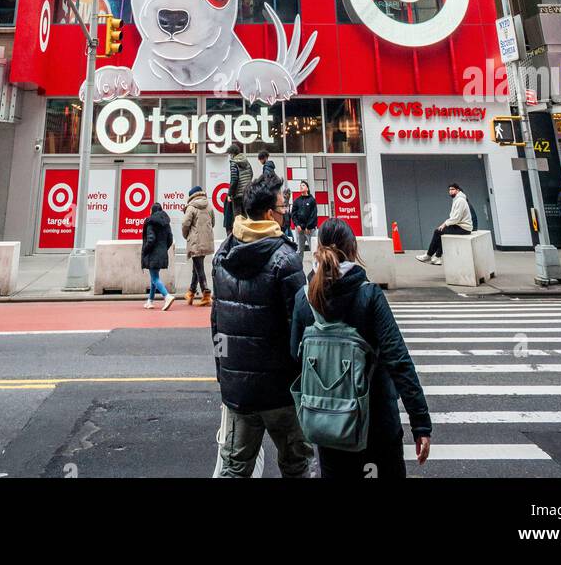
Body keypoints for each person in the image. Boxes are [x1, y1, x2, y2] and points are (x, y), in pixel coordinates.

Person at [292, 218, 432, 479]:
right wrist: (420, 422)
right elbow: (398, 360)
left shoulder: (305, 298)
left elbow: (294, 358)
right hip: (376, 422)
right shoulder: (368, 295)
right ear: (353, 249)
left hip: (328, 425)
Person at [211, 175, 312, 478]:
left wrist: (225, 376)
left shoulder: (222, 257)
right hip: (281, 391)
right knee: (297, 466)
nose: (287, 211)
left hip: (239, 393)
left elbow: (216, 325)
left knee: (235, 469)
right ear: (270, 214)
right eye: (284, 206)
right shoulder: (286, 259)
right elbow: (302, 326)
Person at [416, 182, 472, 266]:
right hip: (460, 225)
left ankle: (429, 255)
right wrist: (446, 224)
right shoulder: (457, 199)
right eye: (449, 190)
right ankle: (436, 257)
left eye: (452, 189)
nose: (450, 191)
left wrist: (445, 224)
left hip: (464, 228)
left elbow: (456, 218)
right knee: (441, 233)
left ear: (458, 190)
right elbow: (454, 217)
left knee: (438, 231)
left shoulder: (460, 200)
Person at [181, 184, 214, 306]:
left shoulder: (191, 207)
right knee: (196, 267)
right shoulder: (209, 206)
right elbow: (213, 223)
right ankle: (191, 292)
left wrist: (186, 236)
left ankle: (206, 294)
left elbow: (185, 224)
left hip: (195, 241)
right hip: (206, 241)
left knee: (199, 268)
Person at [140, 202, 176, 311]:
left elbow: (151, 239)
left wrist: (145, 250)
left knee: (155, 278)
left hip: (153, 254)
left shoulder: (151, 222)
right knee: (153, 278)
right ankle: (150, 301)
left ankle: (167, 296)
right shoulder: (166, 223)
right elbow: (170, 238)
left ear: (152, 211)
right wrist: (163, 249)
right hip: (162, 253)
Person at [227, 142, 253, 228]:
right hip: (246, 194)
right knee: (246, 217)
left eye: (230, 154)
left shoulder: (234, 163)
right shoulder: (246, 162)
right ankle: (247, 238)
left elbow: (234, 179)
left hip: (237, 195)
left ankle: (239, 239)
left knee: (238, 219)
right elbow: (251, 174)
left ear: (232, 153)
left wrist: (230, 194)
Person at [290, 181, 318, 259]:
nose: (301, 186)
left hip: (310, 230)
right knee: (299, 250)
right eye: (300, 185)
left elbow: (313, 215)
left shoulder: (312, 200)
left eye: (303, 185)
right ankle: (299, 269)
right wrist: (297, 225)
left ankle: (315, 269)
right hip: (299, 230)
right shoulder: (296, 201)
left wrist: (308, 227)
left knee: (314, 250)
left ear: (307, 188)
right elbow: (293, 214)